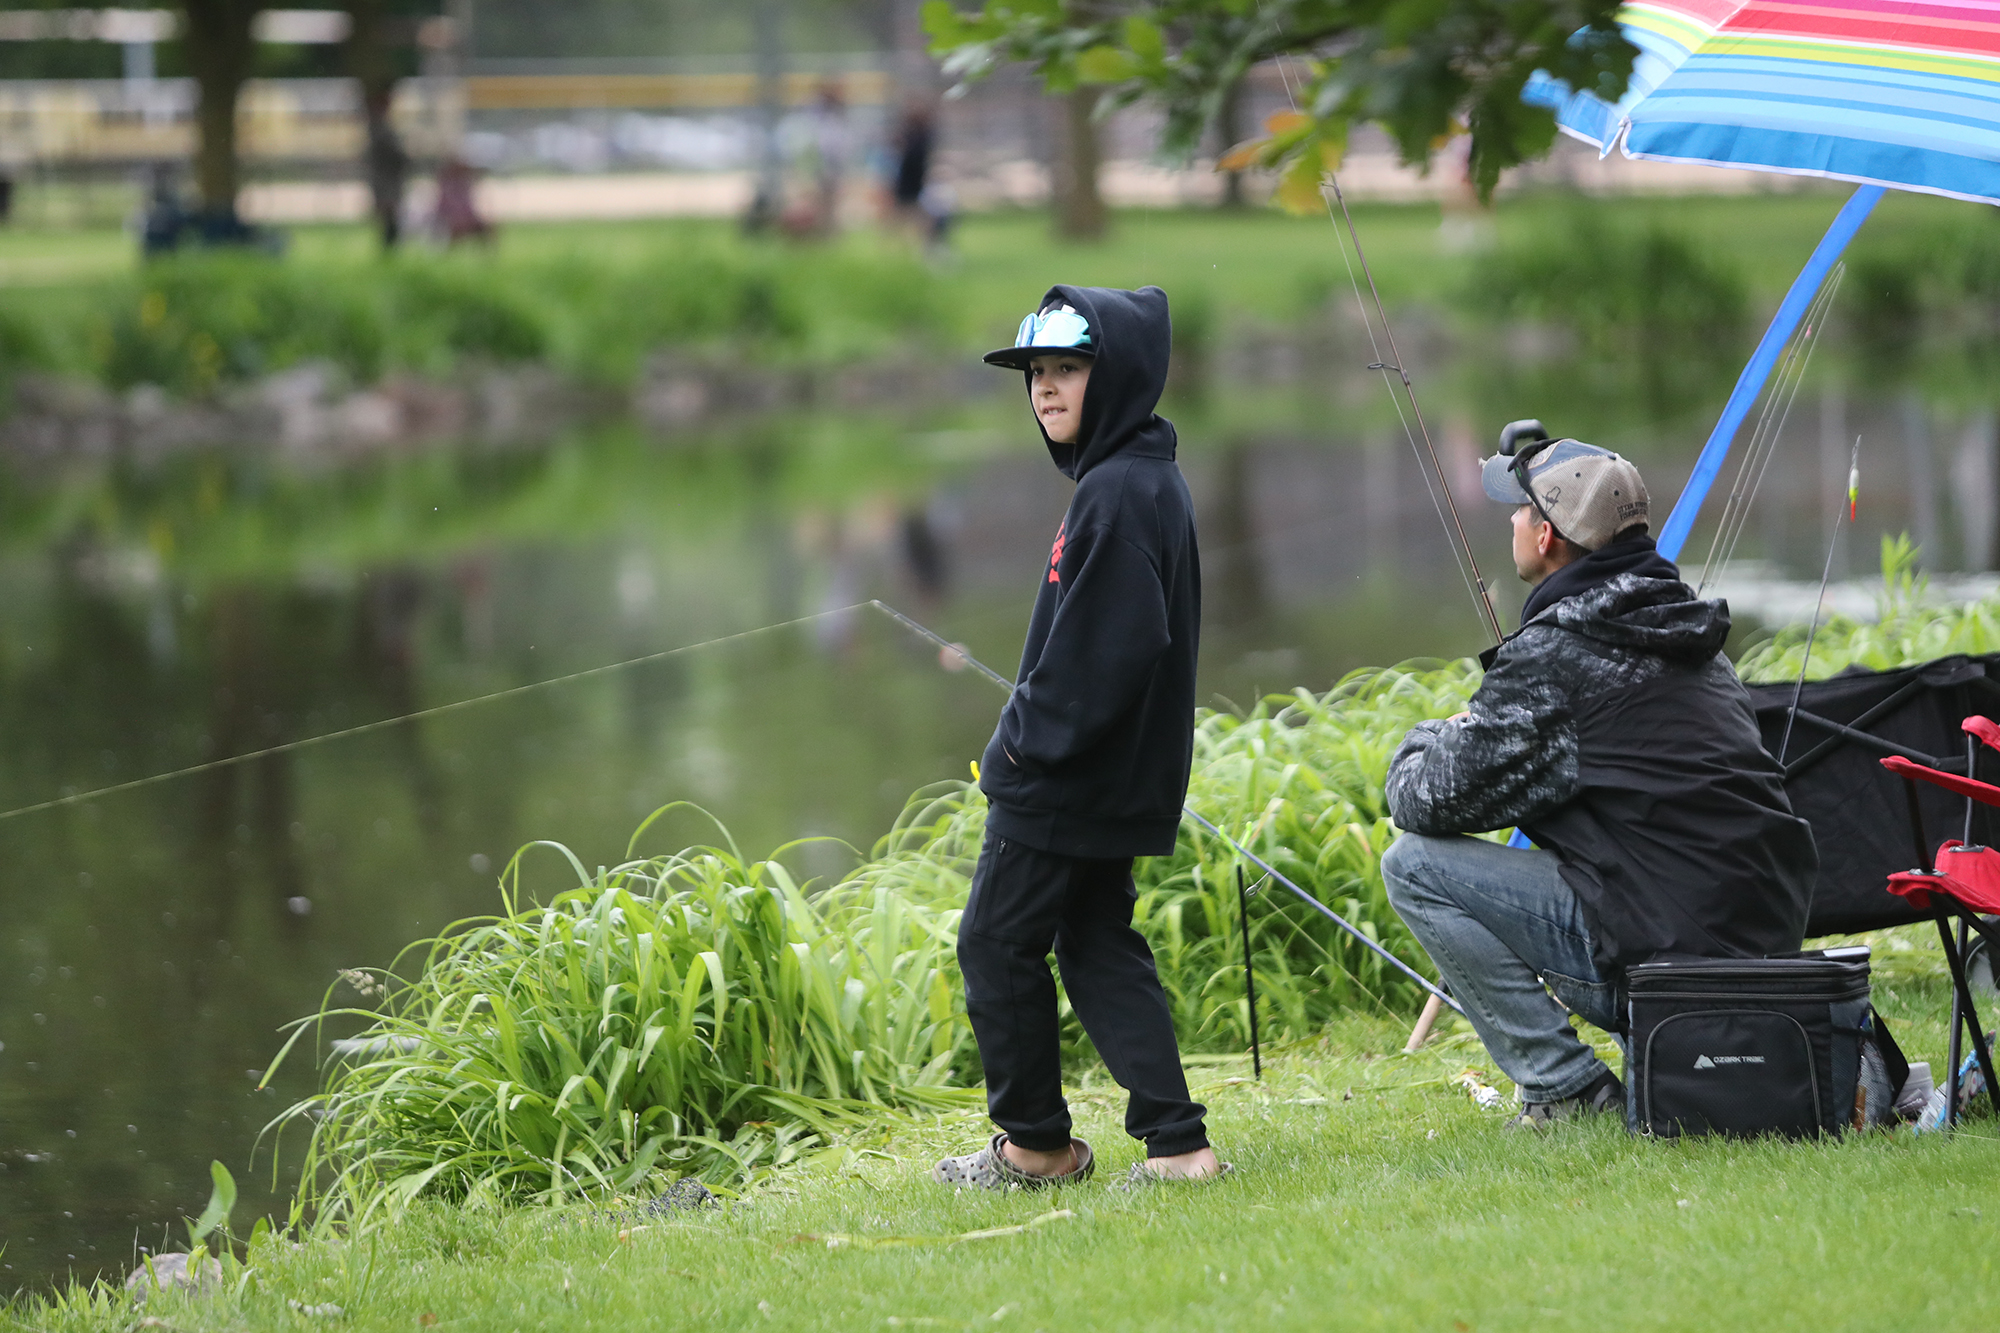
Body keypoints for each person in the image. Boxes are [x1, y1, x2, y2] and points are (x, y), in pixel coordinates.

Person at [1379, 423, 1816, 1128]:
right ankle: (1645, 1046)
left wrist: (1435, 732)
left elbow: (1421, 799)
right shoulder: (1690, 629)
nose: (1514, 524)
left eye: (1521, 511)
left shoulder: (1555, 658)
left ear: (1547, 536)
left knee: (1413, 865)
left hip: (1674, 952)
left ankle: (1564, 1087)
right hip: (1763, 936)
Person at [932, 287, 1226, 1189]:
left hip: (1066, 777)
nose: (1045, 391)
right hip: (1112, 775)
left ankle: (1037, 1147)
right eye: (1037, 374)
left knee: (994, 941)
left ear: (1120, 376)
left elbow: (1113, 649)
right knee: (1096, 937)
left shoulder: (1119, 491)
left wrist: (1022, 748)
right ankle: (1179, 1144)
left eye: (1067, 370)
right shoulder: (1136, 477)